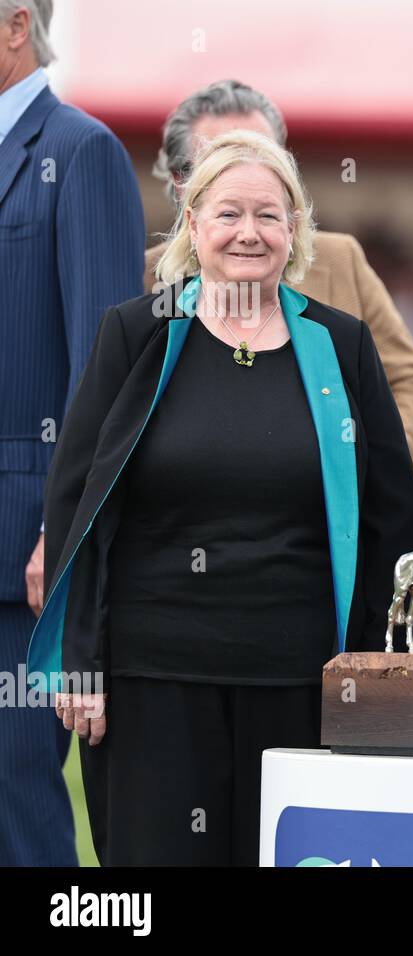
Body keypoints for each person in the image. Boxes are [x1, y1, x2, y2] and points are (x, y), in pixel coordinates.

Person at [28, 130, 413, 865]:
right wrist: (79, 661)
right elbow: (77, 503)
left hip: (301, 681)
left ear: (295, 230)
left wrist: (376, 677)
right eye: (229, 214)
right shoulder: (135, 334)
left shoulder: (343, 344)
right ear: (193, 225)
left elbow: (390, 528)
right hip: (152, 684)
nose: (250, 232)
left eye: (270, 215)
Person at [0, 0, 143, 866]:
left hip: (22, 558)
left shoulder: (80, 152)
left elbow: (105, 375)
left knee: (15, 798)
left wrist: (69, 531)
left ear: (16, 24)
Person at [144, 79, 413, 463]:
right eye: (222, 160)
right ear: (181, 185)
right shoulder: (148, 279)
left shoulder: (340, 260)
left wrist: (362, 467)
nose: (248, 173)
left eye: (264, 157)